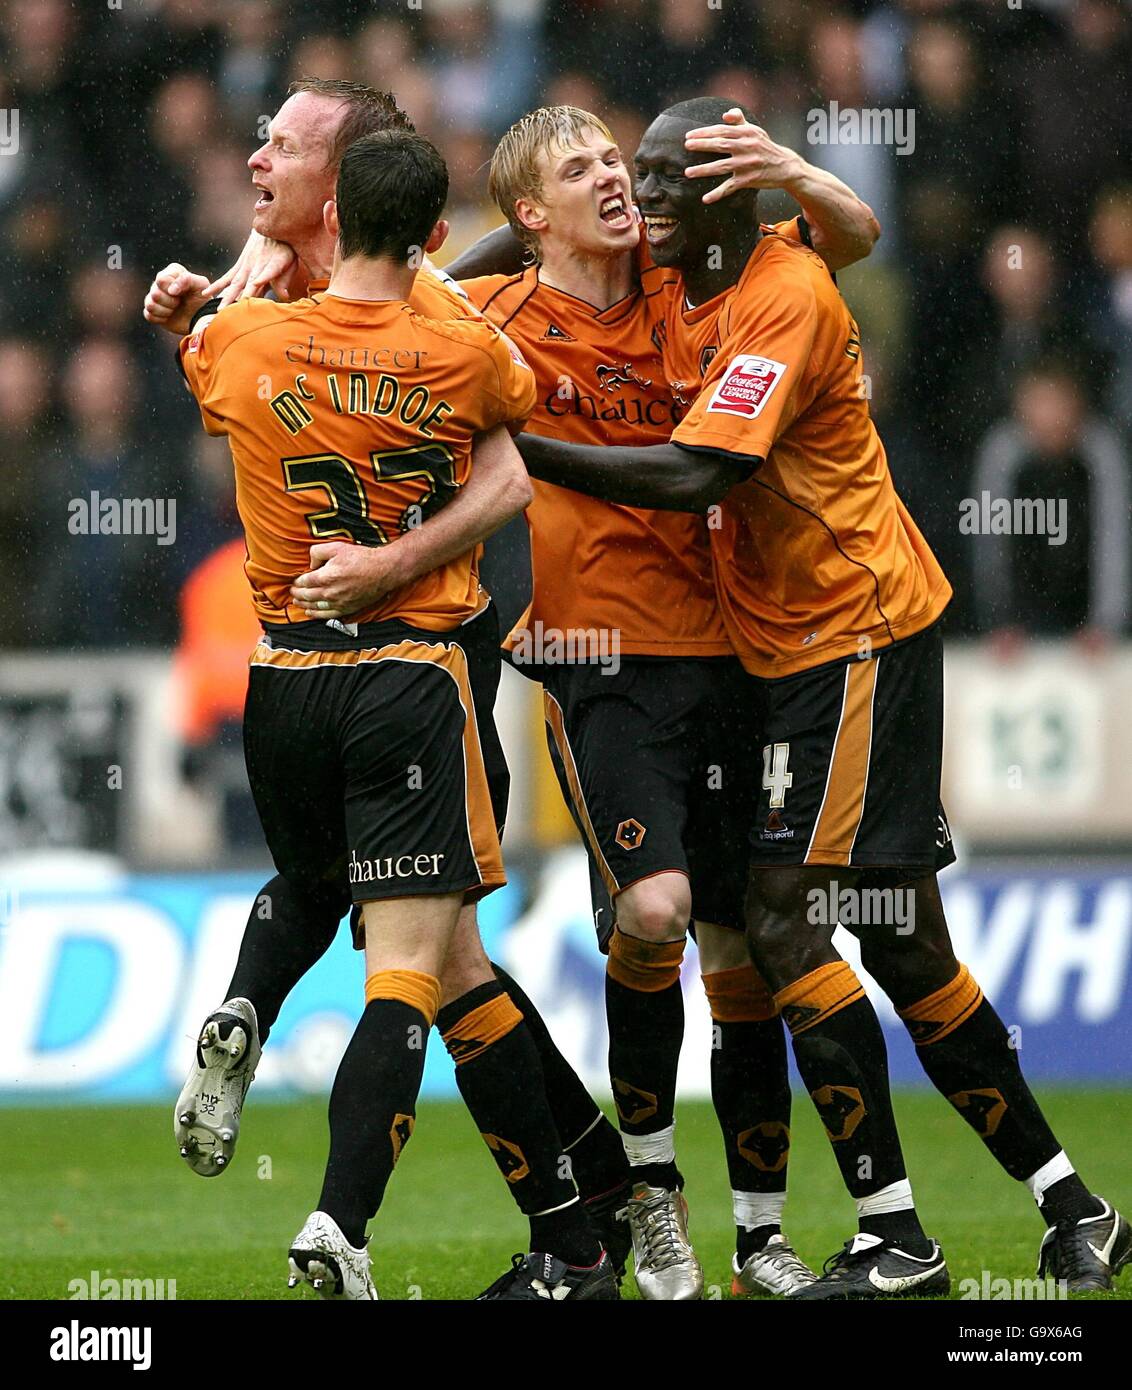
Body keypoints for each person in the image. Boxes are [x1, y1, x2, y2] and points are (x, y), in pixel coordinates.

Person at [509, 96, 1132, 1298]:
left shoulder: (779, 298)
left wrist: (519, 447)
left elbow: (698, 470)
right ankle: (1074, 1205)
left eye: (658, 180)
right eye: (625, 173)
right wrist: (524, 226)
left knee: (788, 919)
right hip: (798, 645)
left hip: (852, 635)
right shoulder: (691, 263)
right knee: (897, 934)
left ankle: (896, 1237)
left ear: (728, 201)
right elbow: (543, 242)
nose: (635, 197)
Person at [144, 78, 636, 1292]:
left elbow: (213, 359)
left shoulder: (253, 330)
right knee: (429, 961)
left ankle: (584, 1217)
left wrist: (197, 313)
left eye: (282, 144)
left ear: (337, 184)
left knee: (421, 941)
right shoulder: (458, 338)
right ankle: (492, 1223)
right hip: (410, 670)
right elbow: (511, 445)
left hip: (302, 665)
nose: (258, 158)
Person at [450, 104, 877, 1300]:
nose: (612, 176)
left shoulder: (681, 274)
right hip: (600, 657)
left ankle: (761, 1232)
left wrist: (795, 173)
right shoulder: (489, 320)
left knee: (741, 951)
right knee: (655, 909)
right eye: (577, 169)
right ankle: (651, 1198)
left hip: (734, 646)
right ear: (530, 212)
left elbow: (841, 242)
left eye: (612, 158)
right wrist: (514, 249)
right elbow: (401, 302)